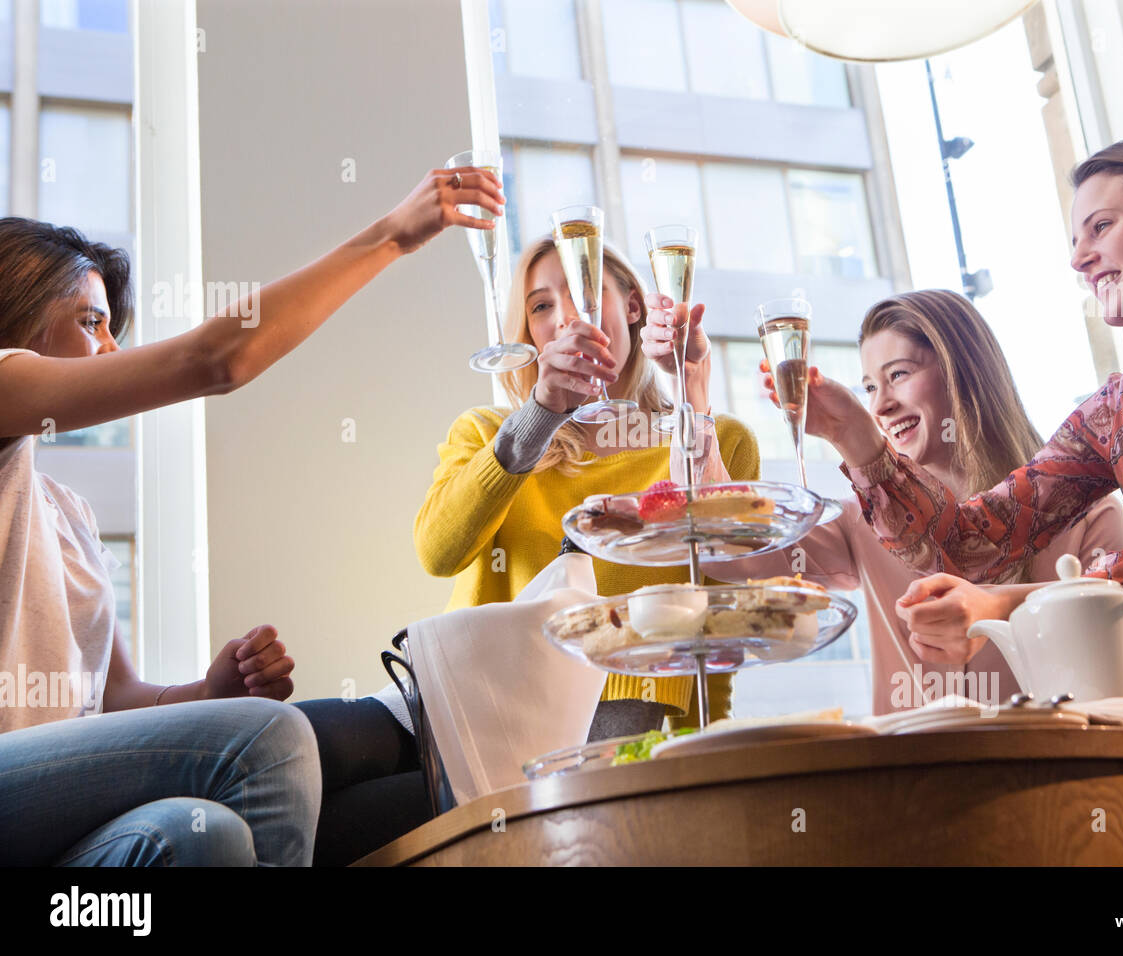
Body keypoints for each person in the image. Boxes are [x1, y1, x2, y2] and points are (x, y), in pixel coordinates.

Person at [776, 137, 1123, 866]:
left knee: (1122, 760)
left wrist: (1004, 607)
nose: (1080, 257)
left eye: (1101, 226)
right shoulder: (1120, 408)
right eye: (1075, 237)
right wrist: (861, 443)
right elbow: (970, 541)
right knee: (1120, 676)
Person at [0, 160, 505, 865]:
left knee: (202, 835)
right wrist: (391, 235)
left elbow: (111, 699)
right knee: (269, 742)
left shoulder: (67, 512)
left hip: (56, 820)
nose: (111, 348)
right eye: (91, 322)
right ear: (17, 318)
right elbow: (218, 359)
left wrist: (210, 689)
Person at [298, 236, 758, 865]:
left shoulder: (713, 437)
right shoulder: (492, 432)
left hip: (614, 711)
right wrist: (541, 413)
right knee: (286, 754)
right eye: (541, 306)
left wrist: (705, 771)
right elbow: (437, 550)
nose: (565, 316)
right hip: (459, 691)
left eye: (582, 291)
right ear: (530, 338)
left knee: (342, 828)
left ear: (633, 307)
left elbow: (726, 601)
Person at [692, 289, 1123, 711]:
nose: (880, 405)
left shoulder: (1088, 509)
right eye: (868, 387)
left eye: (898, 375)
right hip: (907, 778)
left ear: (964, 371)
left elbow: (1120, 635)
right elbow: (734, 550)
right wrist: (693, 394)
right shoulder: (863, 521)